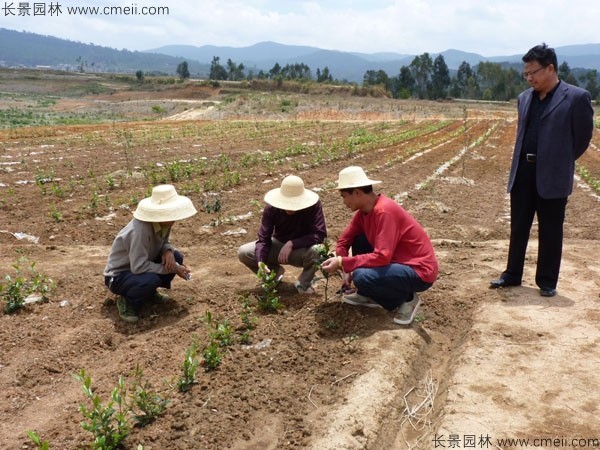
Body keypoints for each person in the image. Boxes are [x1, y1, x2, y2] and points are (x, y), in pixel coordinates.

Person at [490, 43, 594, 297]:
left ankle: (547, 281)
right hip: (523, 169)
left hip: (553, 174)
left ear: (550, 68)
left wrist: (560, 161)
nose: (529, 78)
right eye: (526, 74)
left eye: (533, 72)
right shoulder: (524, 98)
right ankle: (512, 274)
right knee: (519, 225)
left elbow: (582, 138)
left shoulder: (576, 97)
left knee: (551, 228)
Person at [321, 166, 438, 325]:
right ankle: (368, 293)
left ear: (357, 192)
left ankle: (408, 299)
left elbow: (382, 256)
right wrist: (345, 270)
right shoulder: (364, 213)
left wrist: (343, 262)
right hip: (397, 262)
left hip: (418, 270)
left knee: (362, 276)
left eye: (344, 196)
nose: (344, 202)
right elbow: (344, 241)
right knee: (359, 240)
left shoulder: (384, 212)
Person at [104, 184, 197, 322]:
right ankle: (127, 301)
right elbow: (138, 267)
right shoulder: (140, 231)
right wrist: (175, 268)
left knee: (176, 256)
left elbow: (163, 242)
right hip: (119, 276)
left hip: (138, 268)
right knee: (151, 280)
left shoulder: (163, 223)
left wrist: (167, 250)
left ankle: (149, 294)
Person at [238, 175, 327, 294]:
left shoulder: (313, 206)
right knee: (244, 252)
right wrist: (261, 261)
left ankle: (303, 284)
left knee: (319, 250)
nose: (290, 208)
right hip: (278, 246)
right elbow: (264, 239)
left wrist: (292, 243)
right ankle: (274, 274)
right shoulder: (271, 209)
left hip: (302, 250)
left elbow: (320, 234)